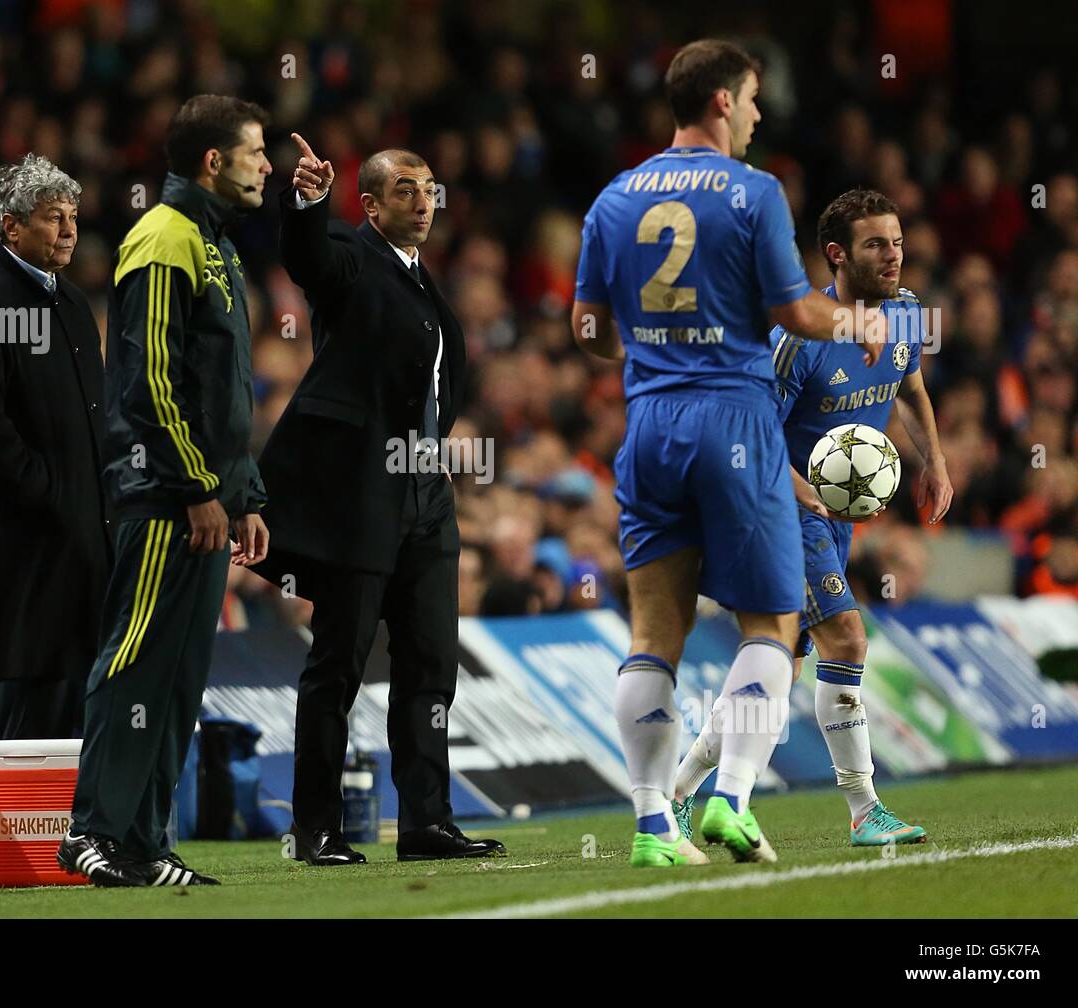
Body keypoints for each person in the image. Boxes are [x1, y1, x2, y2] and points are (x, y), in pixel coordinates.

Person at [572, 39, 886, 868]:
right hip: (736, 422)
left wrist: (659, 349)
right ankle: (731, 799)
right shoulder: (753, 192)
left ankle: (649, 826)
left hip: (649, 424)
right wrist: (857, 322)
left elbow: (589, 332)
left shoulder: (613, 198)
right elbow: (796, 313)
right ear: (719, 101)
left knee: (652, 634)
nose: (756, 116)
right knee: (771, 626)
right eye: (750, 100)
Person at [253, 135, 504, 865]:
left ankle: (426, 821)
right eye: (405, 191)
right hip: (363, 494)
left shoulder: (422, 278)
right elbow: (308, 260)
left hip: (425, 491)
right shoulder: (350, 257)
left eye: (429, 190)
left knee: (431, 665)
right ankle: (314, 827)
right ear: (369, 204)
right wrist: (304, 201)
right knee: (339, 662)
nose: (423, 202)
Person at [674, 189, 953, 846]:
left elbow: (909, 385)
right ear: (837, 255)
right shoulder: (800, 338)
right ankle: (864, 810)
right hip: (779, 509)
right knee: (848, 641)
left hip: (833, 515)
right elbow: (753, 432)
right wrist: (805, 495)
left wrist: (933, 462)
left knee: (778, 668)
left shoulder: (905, 313)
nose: (892, 257)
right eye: (876, 245)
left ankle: (677, 793)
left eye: (898, 243)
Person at [61, 95, 271, 887]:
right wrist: (194, 486)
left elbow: (226, 388)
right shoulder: (163, 236)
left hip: (205, 499)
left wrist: (242, 494)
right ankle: (91, 834)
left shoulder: (215, 243)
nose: (265, 165)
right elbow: (150, 380)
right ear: (212, 162)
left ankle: (145, 843)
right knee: (133, 660)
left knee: (178, 673)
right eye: (253, 151)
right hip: (161, 495)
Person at [0, 153, 111, 740]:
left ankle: (75, 831)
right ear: (11, 226)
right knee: (18, 708)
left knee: (73, 698)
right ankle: (8, 834)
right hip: (18, 551)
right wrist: (52, 493)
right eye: (52, 218)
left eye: (72, 217)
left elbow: (98, 414)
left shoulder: (71, 301)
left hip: (82, 538)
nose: (69, 231)